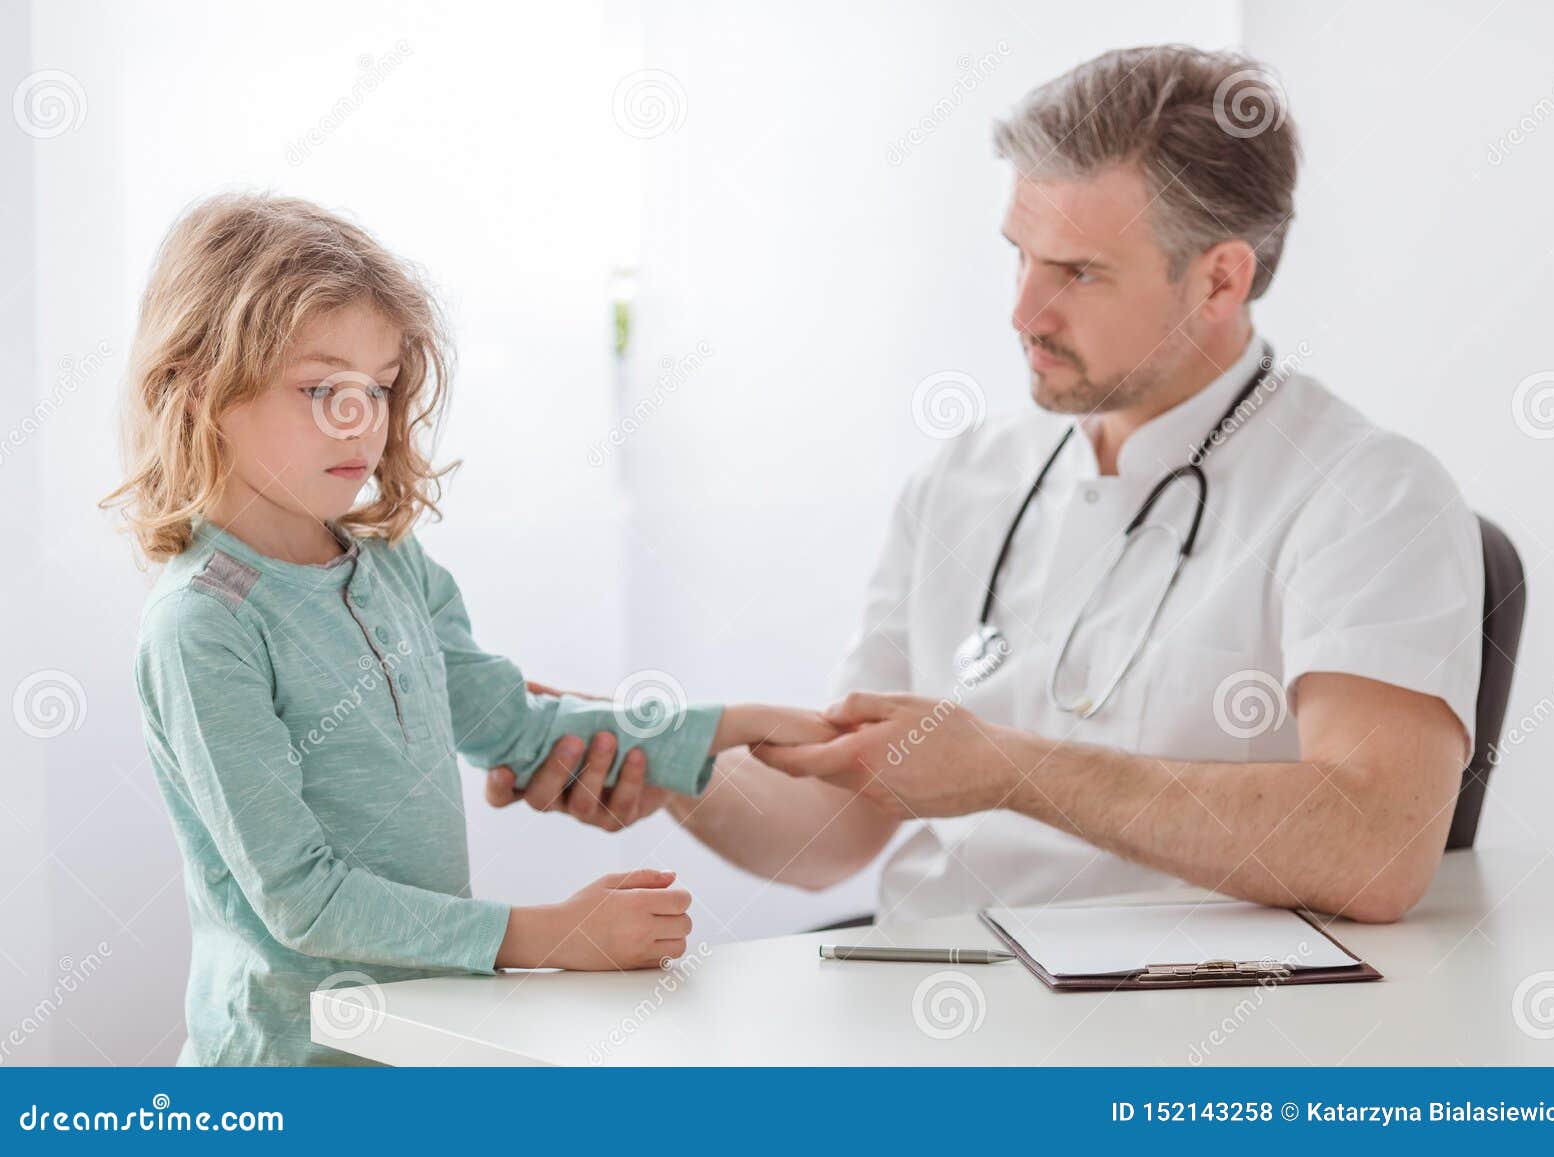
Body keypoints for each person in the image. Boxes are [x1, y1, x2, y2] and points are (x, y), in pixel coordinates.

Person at [491, 45, 1483, 928]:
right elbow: (835, 831)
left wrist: (1009, 769)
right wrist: (673, 761)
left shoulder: (1368, 495)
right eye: (1017, 254)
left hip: (1189, 1042)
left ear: (1220, 281)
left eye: (1078, 272)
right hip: (931, 1008)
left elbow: (1375, 847)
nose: (1022, 310)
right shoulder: (965, 479)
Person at [99, 194, 834, 1065]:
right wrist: (554, 936)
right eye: (320, 388)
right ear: (197, 385)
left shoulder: (394, 566)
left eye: (376, 387)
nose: (360, 418)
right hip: (286, 1068)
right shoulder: (203, 625)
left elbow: (513, 726)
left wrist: (733, 726)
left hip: (425, 1044)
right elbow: (302, 899)